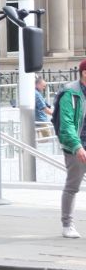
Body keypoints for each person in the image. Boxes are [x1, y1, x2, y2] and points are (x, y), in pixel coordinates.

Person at [55, 60, 86, 239]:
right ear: (84, 73)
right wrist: (77, 146)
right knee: (73, 186)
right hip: (77, 146)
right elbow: (66, 123)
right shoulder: (71, 93)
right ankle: (67, 224)